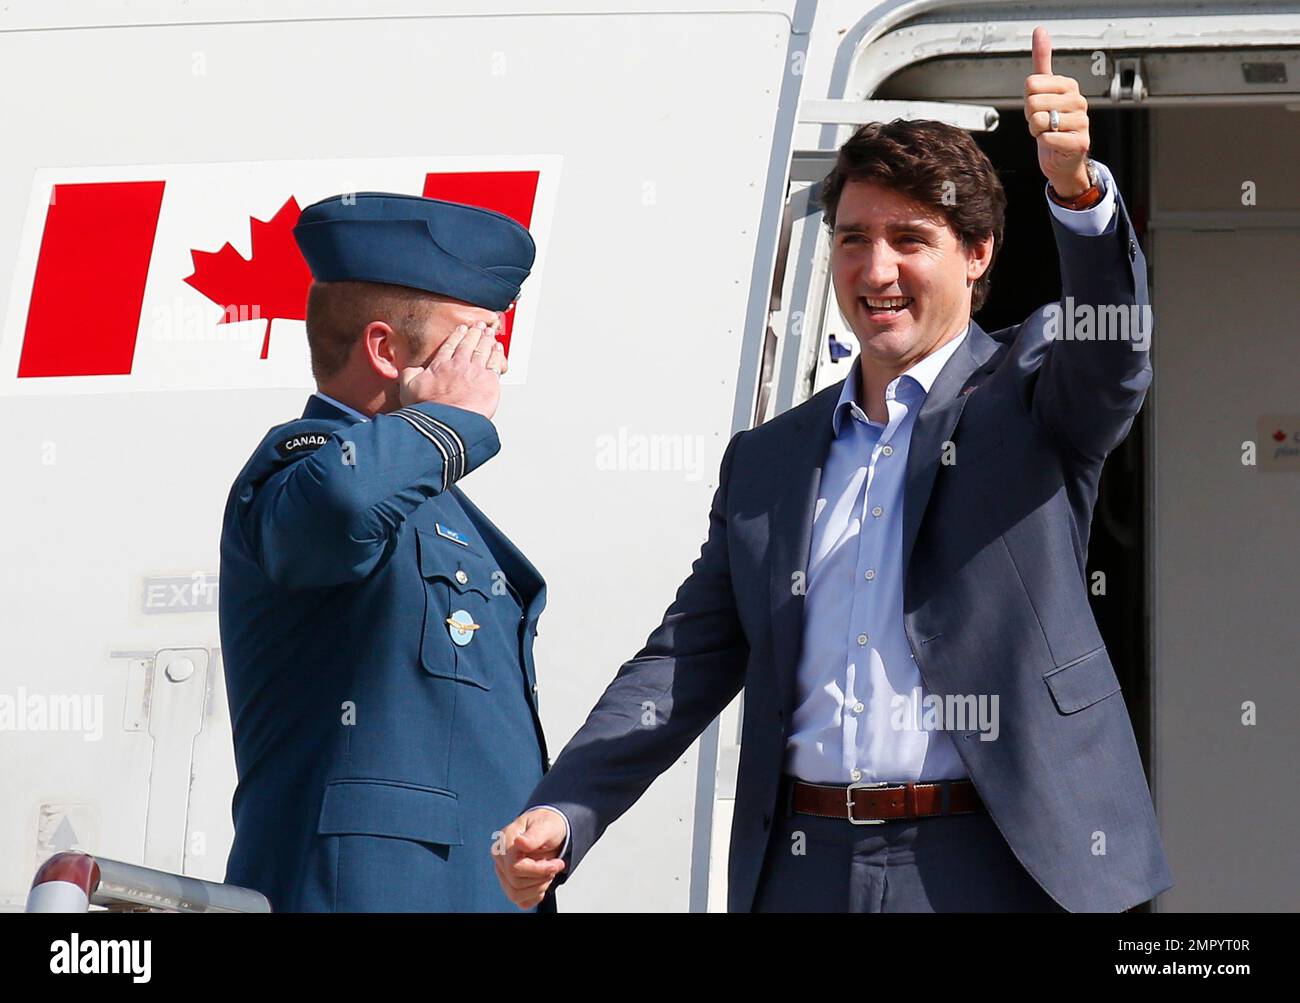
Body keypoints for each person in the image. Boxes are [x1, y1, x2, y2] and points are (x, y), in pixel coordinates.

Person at [494, 27, 1170, 912]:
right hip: (805, 865)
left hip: (990, 861)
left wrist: (1076, 191)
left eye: (909, 239)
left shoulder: (1032, 389)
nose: (875, 269)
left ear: (977, 254)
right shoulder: (769, 460)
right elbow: (683, 661)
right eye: (853, 239)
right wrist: (569, 804)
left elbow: (1113, 354)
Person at [219, 191, 554, 912]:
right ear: (384, 349)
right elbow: (343, 504)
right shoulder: (299, 466)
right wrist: (448, 420)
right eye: (470, 337)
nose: (491, 362)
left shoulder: (427, 500)